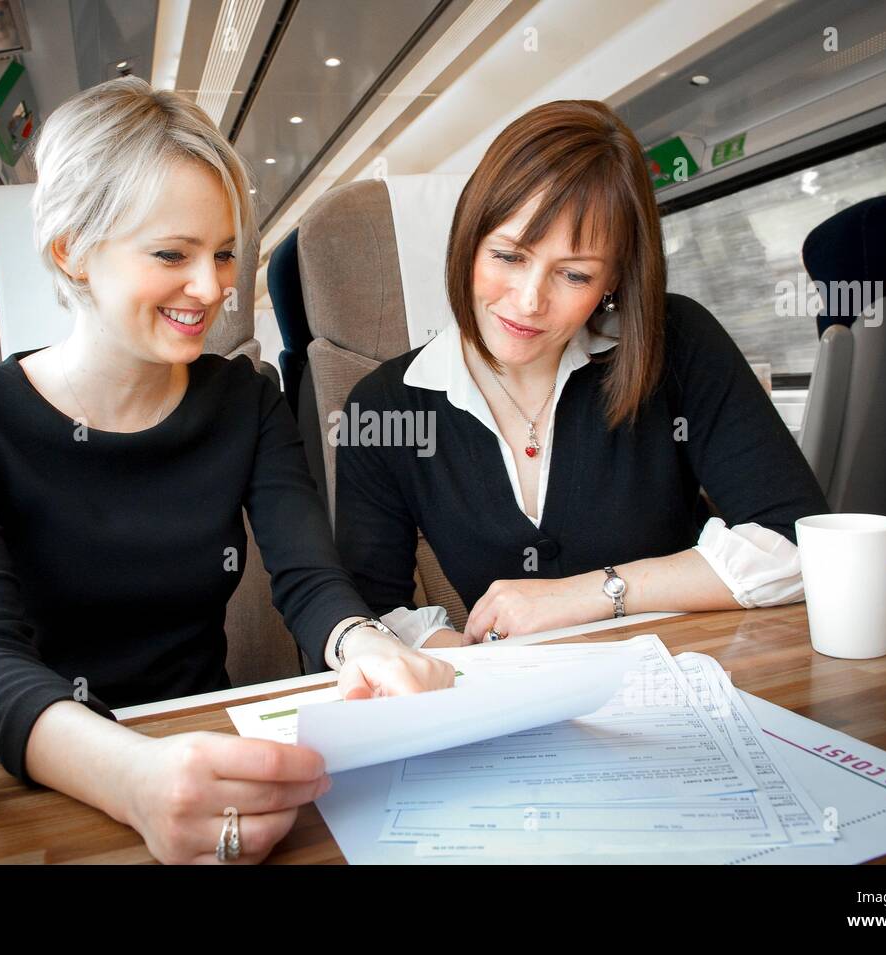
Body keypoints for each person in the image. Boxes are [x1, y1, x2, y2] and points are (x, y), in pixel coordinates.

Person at [0, 77, 453, 864]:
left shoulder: (244, 402)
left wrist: (365, 642)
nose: (214, 289)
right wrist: (135, 779)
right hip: (46, 776)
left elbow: (307, 580)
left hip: (204, 751)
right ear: (72, 252)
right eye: (172, 254)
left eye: (224, 253)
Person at [334, 99, 829, 649]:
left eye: (573, 274)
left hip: (684, 676)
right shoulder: (385, 407)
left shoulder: (676, 341)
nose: (528, 301)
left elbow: (801, 546)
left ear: (613, 281)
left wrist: (595, 592)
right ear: (468, 242)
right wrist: (466, 673)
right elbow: (372, 611)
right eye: (507, 257)